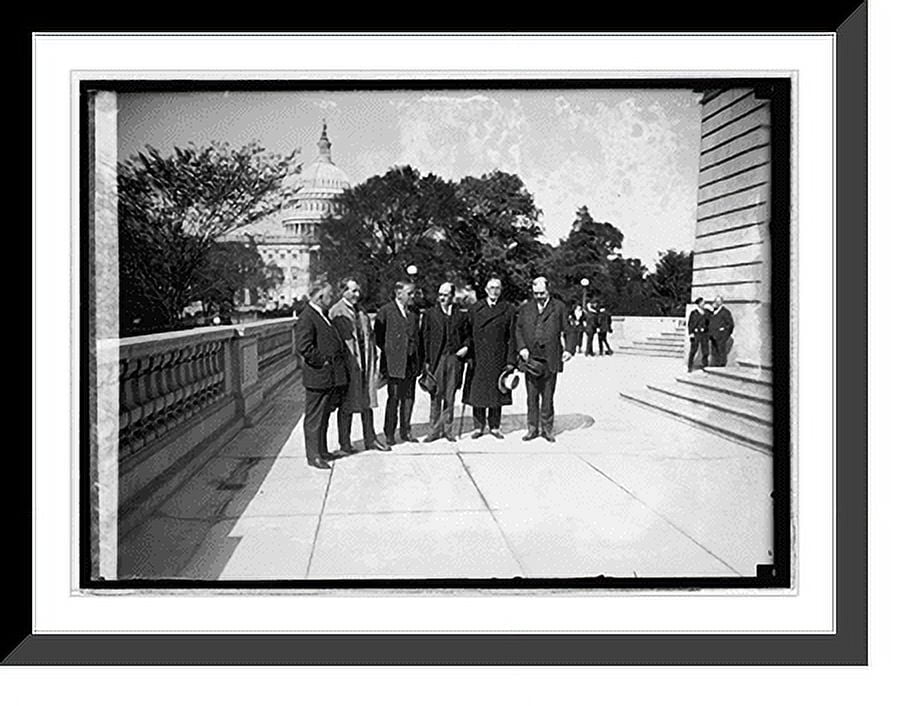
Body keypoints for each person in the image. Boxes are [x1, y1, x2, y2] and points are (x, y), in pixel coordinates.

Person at [328, 278, 390, 453]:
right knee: (346, 406)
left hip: (366, 364)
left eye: (358, 291)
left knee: (367, 403)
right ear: (343, 291)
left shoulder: (361, 311)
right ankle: (345, 443)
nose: (357, 294)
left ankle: (371, 439)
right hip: (349, 367)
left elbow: (369, 336)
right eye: (353, 291)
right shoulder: (336, 312)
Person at [297, 282, 349, 469]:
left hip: (327, 378)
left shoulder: (322, 315)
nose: (332, 298)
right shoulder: (307, 317)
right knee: (314, 418)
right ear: (319, 297)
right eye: (329, 295)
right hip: (318, 376)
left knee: (324, 416)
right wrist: (323, 361)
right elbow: (304, 347)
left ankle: (322, 450)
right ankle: (313, 456)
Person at [514, 277, 572, 442]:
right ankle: (532, 428)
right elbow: (518, 329)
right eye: (536, 293)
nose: (539, 296)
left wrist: (568, 349)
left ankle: (547, 429)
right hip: (531, 359)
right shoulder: (525, 308)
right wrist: (522, 348)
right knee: (531, 397)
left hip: (550, 358)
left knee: (547, 396)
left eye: (542, 293)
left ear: (548, 290)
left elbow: (569, 330)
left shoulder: (559, 307)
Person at [464, 277, 516, 439]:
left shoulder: (508, 309)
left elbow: (511, 337)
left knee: (497, 391)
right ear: (486, 290)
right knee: (478, 392)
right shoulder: (475, 309)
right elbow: (467, 334)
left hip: (498, 356)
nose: (494, 291)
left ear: (501, 290)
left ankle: (494, 426)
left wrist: (510, 361)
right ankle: (478, 426)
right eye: (491, 288)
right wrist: (468, 354)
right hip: (478, 356)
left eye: (497, 288)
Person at [374, 281, 422, 445]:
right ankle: (389, 433)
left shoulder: (414, 312)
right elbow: (379, 338)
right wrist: (393, 352)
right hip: (394, 364)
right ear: (398, 293)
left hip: (411, 363)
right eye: (409, 293)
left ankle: (406, 431)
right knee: (393, 399)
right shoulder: (385, 311)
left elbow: (418, 337)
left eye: (413, 293)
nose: (412, 296)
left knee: (409, 398)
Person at [420, 282, 470, 442]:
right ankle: (434, 430)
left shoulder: (460, 315)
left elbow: (468, 336)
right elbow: (424, 338)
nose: (442, 298)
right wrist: (426, 361)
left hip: (454, 358)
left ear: (452, 296)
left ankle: (448, 430)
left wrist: (466, 347)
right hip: (437, 359)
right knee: (435, 395)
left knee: (450, 395)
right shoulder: (430, 314)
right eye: (440, 295)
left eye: (446, 295)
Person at [708, 295, 735, 367]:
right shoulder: (713, 312)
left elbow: (730, 325)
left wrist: (724, 334)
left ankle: (721, 365)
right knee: (714, 352)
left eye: (717, 301)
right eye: (715, 301)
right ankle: (715, 365)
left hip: (721, 337)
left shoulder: (725, 312)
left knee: (721, 351)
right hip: (713, 336)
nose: (715, 303)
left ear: (721, 302)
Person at [687, 296, 710, 372]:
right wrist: (691, 333)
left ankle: (705, 365)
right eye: (702, 302)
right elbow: (690, 323)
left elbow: (710, 320)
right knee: (693, 351)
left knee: (705, 351)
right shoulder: (694, 313)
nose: (704, 304)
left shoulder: (706, 312)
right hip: (696, 333)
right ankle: (690, 366)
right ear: (699, 304)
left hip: (704, 334)